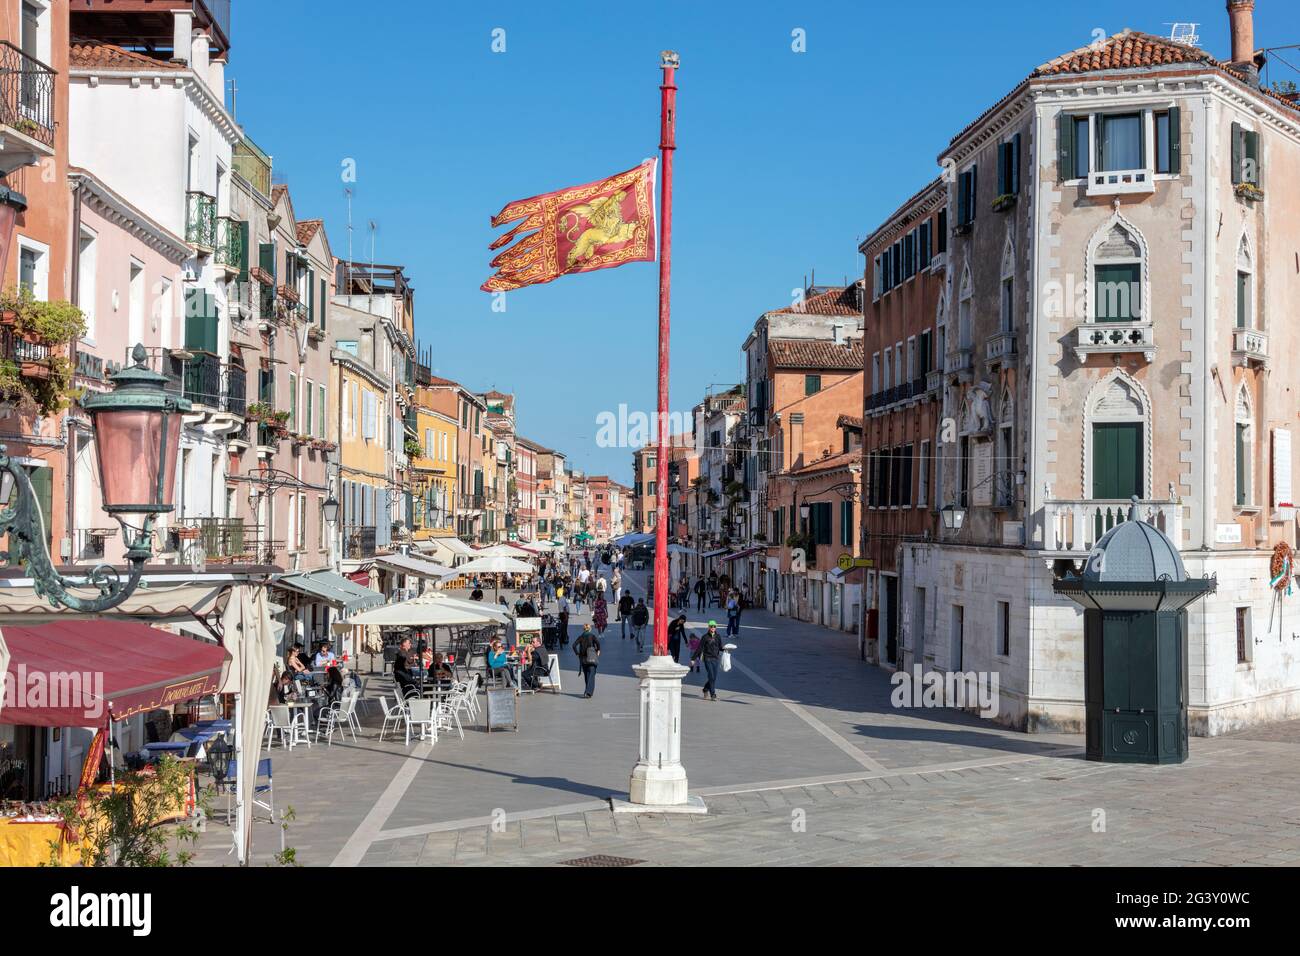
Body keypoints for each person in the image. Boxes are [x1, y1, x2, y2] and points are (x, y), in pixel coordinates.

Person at [692, 622, 725, 701]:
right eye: (711, 626)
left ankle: (705, 689)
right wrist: (693, 659)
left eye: (714, 626)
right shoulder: (705, 637)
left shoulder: (718, 636)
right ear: (709, 627)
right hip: (707, 659)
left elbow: (720, 647)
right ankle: (713, 694)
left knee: (713, 677)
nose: (713, 628)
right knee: (711, 676)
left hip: (716, 659)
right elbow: (699, 648)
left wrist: (726, 648)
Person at [573, 624, 601, 698]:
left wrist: (577, 654)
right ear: (590, 629)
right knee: (591, 674)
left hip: (583, 659)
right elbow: (598, 643)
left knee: (586, 675)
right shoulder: (592, 636)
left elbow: (574, 645)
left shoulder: (581, 637)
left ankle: (587, 691)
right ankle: (588, 692)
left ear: (583, 629)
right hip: (591, 657)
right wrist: (598, 650)